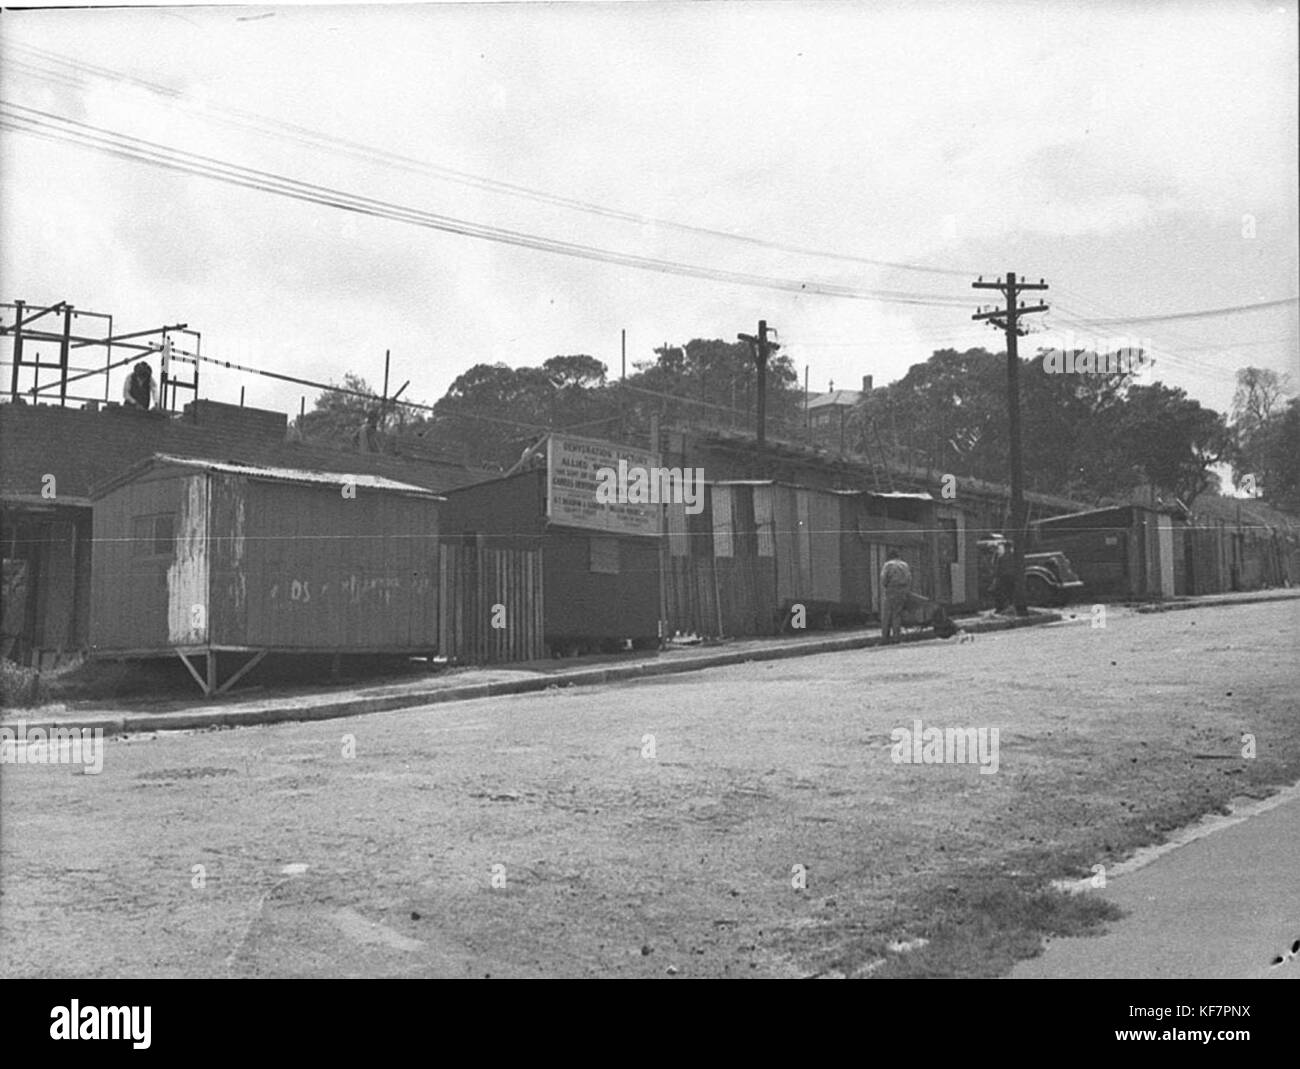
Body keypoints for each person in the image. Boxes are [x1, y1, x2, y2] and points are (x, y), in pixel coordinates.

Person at [879, 548, 912, 645]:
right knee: (897, 614)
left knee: (886, 615)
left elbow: (883, 579)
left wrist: (887, 586)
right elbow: (909, 578)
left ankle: (885, 638)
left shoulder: (888, 565)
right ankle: (896, 638)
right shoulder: (904, 565)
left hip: (892, 590)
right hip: (902, 591)